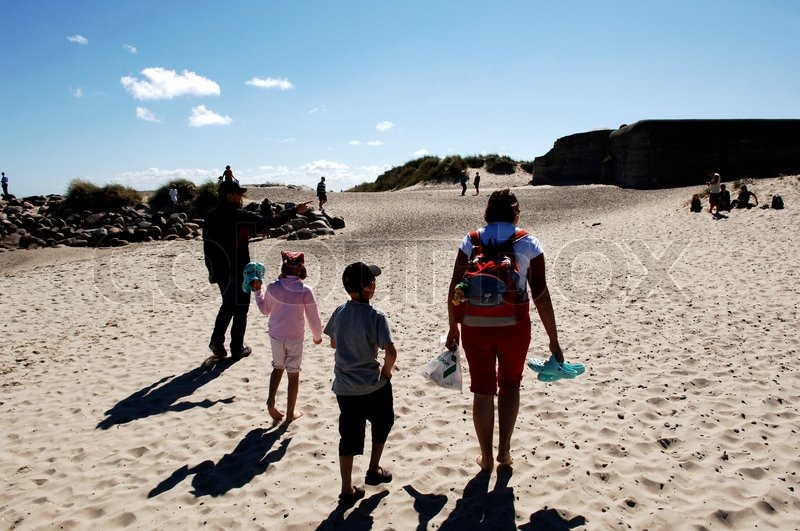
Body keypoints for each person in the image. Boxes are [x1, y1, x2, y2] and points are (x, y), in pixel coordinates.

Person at [446, 188, 563, 473]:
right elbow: (541, 294)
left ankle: (485, 458)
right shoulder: (529, 243)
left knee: (483, 391)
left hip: (474, 326)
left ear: (487, 211)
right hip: (514, 326)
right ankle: (505, 452)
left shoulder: (470, 240)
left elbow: (453, 288)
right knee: (510, 385)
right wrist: (553, 339)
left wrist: (453, 327)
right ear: (515, 211)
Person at [203, 180, 310, 360]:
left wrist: (211, 271)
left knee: (228, 305)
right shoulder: (239, 215)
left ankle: (217, 341)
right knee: (240, 308)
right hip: (239, 271)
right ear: (229, 196)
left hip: (221, 271)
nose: (240, 197)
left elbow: (207, 247)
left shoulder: (210, 216)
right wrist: (294, 211)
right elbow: (271, 221)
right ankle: (236, 347)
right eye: (238, 194)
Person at [324, 262, 397, 505]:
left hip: (345, 388)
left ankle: (347, 489)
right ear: (370, 287)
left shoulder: (339, 312)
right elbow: (391, 351)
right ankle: (374, 469)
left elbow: (333, 343)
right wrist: (386, 372)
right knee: (383, 421)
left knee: (349, 435)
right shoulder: (376, 316)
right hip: (373, 386)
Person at [252, 251, 323, 423]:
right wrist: (317, 336)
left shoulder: (273, 287)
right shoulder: (306, 290)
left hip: (276, 336)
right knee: (293, 375)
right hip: (295, 337)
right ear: (301, 269)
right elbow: (313, 317)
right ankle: (290, 414)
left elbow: (264, 310)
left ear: (283, 267)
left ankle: (271, 403)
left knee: (277, 367)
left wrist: (257, 290)